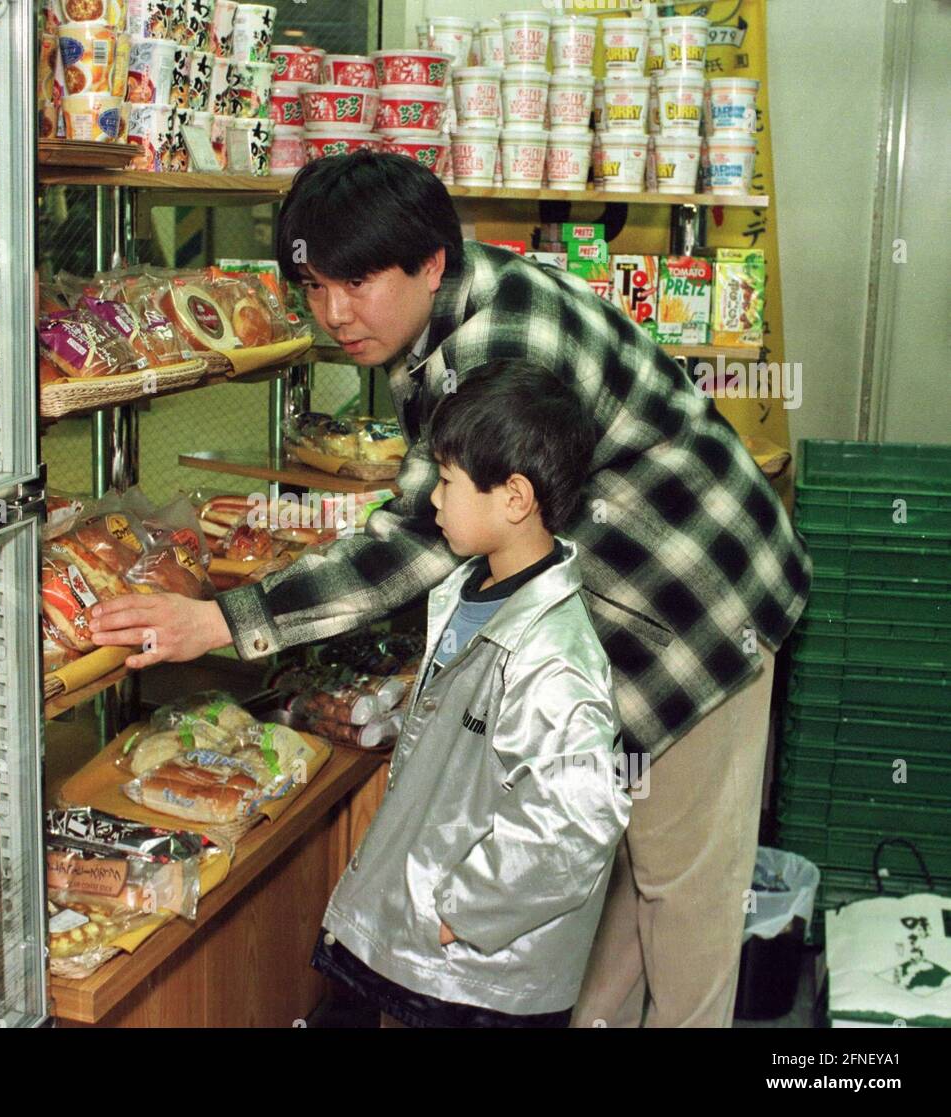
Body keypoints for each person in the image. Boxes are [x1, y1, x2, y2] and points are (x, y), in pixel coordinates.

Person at [89, 151, 813, 1028]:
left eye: (355, 283)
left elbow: (421, 541)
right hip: (603, 619)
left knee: (680, 897)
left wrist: (226, 618)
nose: (332, 314)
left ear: (431, 261)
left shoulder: (501, 344)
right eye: (313, 287)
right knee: (608, 882)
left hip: (699, 608)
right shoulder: (444, 314)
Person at [311, 363, 631, 1028]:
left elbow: (579, 815)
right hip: (443, 958)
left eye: (449, 480)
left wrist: (462, 910)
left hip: (483, 977)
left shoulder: (553, 657)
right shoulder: (472, 591)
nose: (432, 498)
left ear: (514, 497)